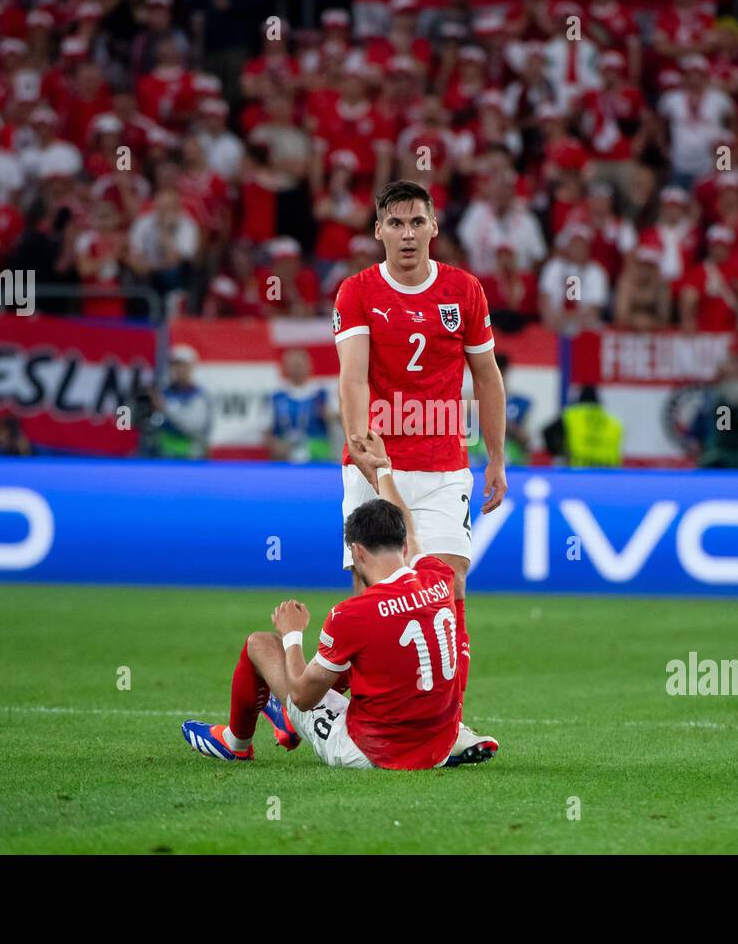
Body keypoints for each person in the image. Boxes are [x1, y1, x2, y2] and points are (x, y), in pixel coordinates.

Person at [181, 430, 498, 769]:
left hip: (371, 752)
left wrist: (292, 635)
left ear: (357, 551)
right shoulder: (438, 577)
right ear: (404, 545)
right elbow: (411, 527)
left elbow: (303, 696)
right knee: (361, 664)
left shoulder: (352, 613)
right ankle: (281, 716)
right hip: (437, 745)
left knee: (260, 644)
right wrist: (384, 469)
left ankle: (235, 743)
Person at [334, 179, 508, 720]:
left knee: (448, 585)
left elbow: (488, 377)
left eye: (417, 222)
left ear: (434, 227)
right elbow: (353, 378)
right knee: (376, 598)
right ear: (378, 230)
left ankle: (447, 723)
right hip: (374, 464)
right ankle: (345, 711)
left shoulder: (464, 291)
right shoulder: (357, 291)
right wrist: (363, 446)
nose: (407, 234)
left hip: (442, 466)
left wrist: (496, 457)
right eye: (395, 223)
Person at [268, 347, 334, 463]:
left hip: (317, 458)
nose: (296, 370)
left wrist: (329, 415)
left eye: (299, 365)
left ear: (309, 366)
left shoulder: (322, 395)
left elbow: (337, 421)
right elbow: (266, 431)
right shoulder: (276, 396)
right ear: (285, 368)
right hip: (285, 457)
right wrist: (275, 446)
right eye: (293, 365)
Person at [153, 344, 212, 458]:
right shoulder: (163, 392)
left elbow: (193, 426)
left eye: (184, 365)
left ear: (192, 367)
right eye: (176, 365)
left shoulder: (199, 395)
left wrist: (165, 408)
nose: (179, 370)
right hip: (162, 456)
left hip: (191, 457)